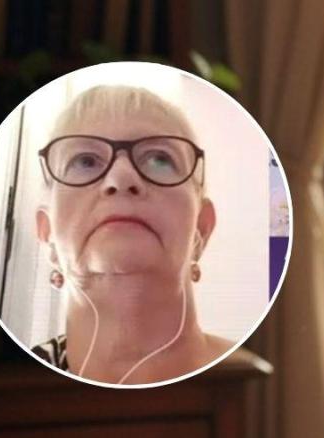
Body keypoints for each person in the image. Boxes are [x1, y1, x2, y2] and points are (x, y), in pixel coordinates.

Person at [31, 84, 232, 384]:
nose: (121, 177)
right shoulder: (4, 387)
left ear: (201, 229)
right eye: (85, 161)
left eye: (160, 159)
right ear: (47, 232)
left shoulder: (256, 385)